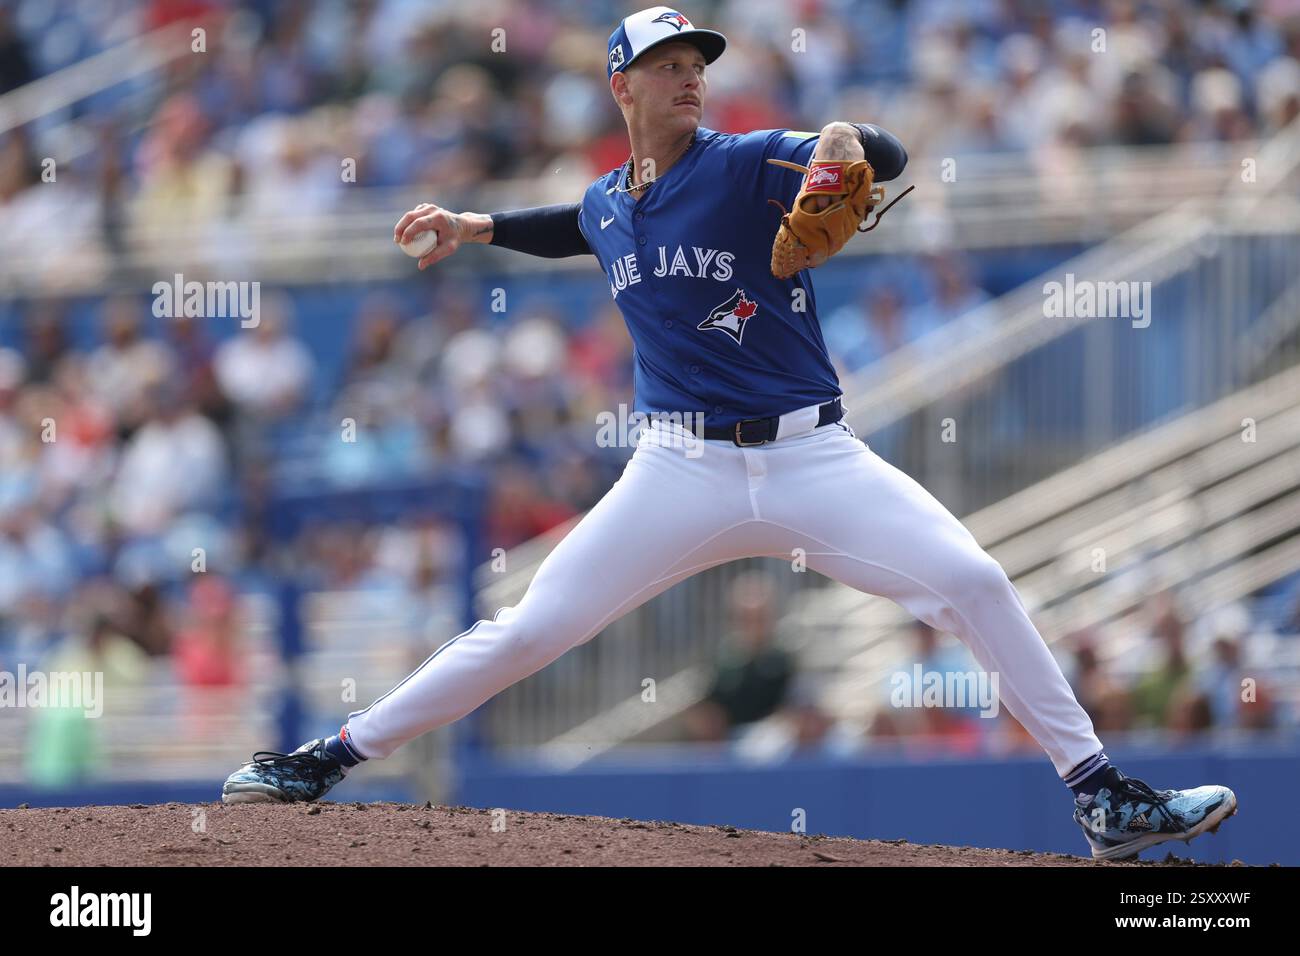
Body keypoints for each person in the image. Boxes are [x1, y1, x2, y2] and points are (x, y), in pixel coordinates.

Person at [222, 6, 1236, 861]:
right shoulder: (609, 203)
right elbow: (576, 222)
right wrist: (480, 226)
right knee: (529, 627)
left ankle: (1101, 793)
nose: (688, 79)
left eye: (696, 64)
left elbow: (880, 156)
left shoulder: (748, 163)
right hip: (679, 468)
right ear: (622, 85)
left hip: (812, 456)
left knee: (971, 580)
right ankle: (328, 757)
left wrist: (848, 144)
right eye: (665, 66)